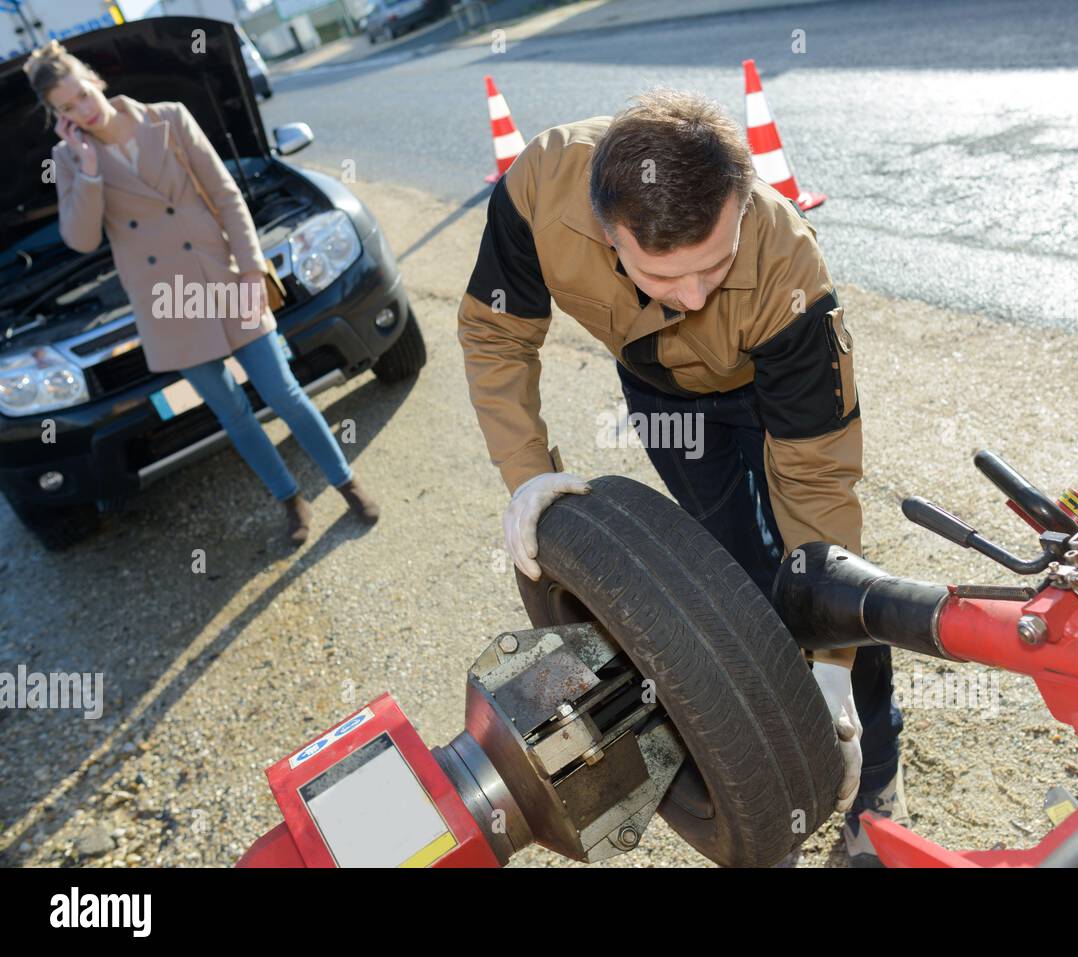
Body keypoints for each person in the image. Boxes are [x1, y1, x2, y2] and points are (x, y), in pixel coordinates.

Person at [458, 90, 906, 866]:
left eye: (716, 264)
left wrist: (832, 668)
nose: (695, 297)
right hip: (666, 394)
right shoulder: (541, 188)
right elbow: (496, 333)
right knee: (730, 574)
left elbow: (819, 486)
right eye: (667, 275)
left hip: (766, 381)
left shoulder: (787, 267)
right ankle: (771, 778)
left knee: (816, 581)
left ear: (741, 202)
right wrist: (528, 473)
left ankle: (877, 787)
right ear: (608, 234)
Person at [25, 40, 378, 546]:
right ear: (56, 115)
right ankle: (290, 500)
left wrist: (253, 267)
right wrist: (87, 168)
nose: (83, 109)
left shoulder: (168, 117)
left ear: (95, 79)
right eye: (66, 107)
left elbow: (224, 193)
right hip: (167, 303)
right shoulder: (68, 159)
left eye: (82, 94)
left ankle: (345, 482)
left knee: (284, 393)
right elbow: (80, 239)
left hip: (225, 277)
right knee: (231, 412)